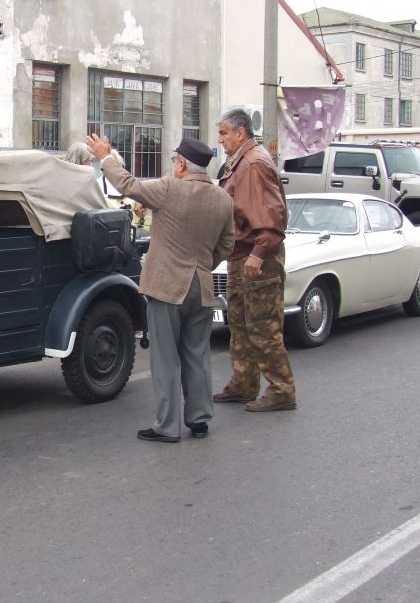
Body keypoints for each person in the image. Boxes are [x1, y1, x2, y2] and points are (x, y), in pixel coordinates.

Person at [88, 133, 236, 442]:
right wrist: (203, 265)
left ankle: (167, 426)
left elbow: (129, 185)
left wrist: (106, 158)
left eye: (173, 161)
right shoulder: (223, 198)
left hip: (168, 287)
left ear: (181, 164)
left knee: (166, 358)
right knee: (197, 355)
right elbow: (227, 244)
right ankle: (199, 419)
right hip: (202, 287)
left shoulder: (169, 189)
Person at [213, 108, 297, 412]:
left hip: (256, 256)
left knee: (263, 326)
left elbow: (271, 217)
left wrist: (259, 254)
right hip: (242, 255)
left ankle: (281, 389)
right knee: (241, 324)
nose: (220, 139)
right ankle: (244, 383)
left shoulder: (254, 164)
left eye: (223, 133)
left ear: (240, 133)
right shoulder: (241, 163)